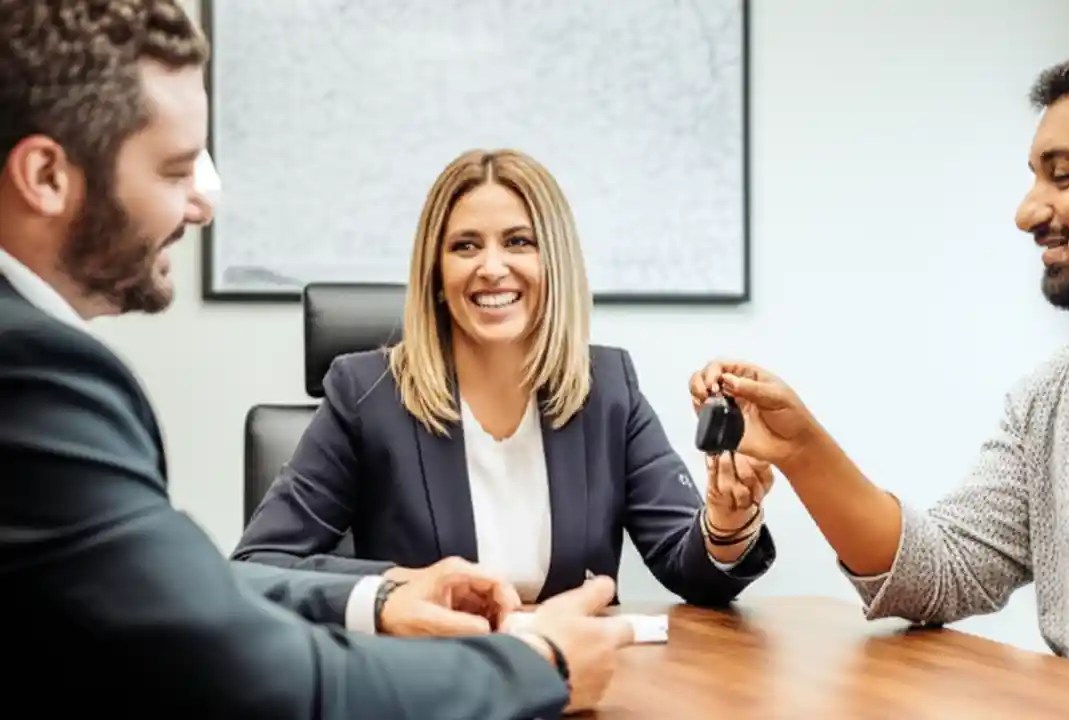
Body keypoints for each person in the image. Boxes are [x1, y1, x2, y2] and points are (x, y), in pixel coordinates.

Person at [0, 1, 632, 715]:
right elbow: (258, 674)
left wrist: (380, 596)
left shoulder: (608, 382)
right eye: (176, 171)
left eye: (519, 242)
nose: (204, 204)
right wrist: (538, 664)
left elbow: (190, 589)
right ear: (46, 176)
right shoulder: (32, 370)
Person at [686, 45, 1069, 665]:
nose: (1025, 213)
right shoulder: (1055, 391)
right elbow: (945, 571)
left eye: (1065, 176)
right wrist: (801, 449)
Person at [233, 147, 777, 608]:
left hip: (572, 676)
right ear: (436, 275)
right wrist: (400, 589)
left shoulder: (609, 388)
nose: (492, 267)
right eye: (465, 246)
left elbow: (690, 570)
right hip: (428, 677)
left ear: (554, 264)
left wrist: (727, 523)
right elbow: (260, 564)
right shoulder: (366, 393)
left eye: (518, 242)